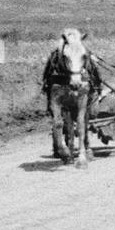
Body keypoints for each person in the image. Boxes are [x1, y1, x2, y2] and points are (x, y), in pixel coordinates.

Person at [42, 28, 100, 162]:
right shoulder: (60, 54)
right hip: (65, 80)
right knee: (50, 62)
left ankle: (97, 85)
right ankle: (45, 85)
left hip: (79, 79)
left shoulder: (81, 51)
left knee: (94, 66)